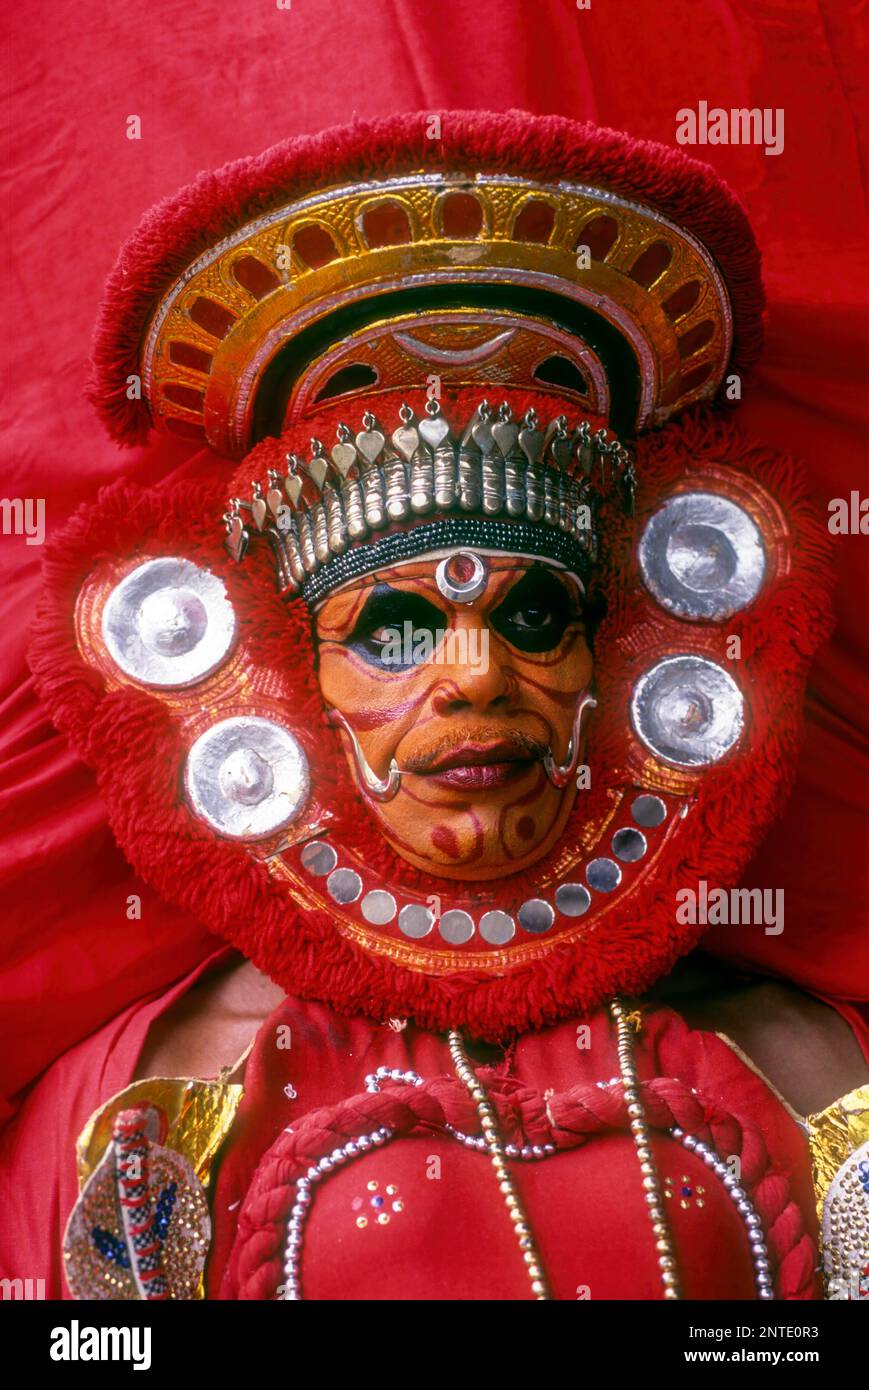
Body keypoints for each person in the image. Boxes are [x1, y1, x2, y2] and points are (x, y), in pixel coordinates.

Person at [7, 110, 868, 1301]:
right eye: (394, 628)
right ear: (290, 678)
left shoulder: (806, 1073)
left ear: (609, 658)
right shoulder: (158, 1106)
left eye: (528, 618)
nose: (473, 677)